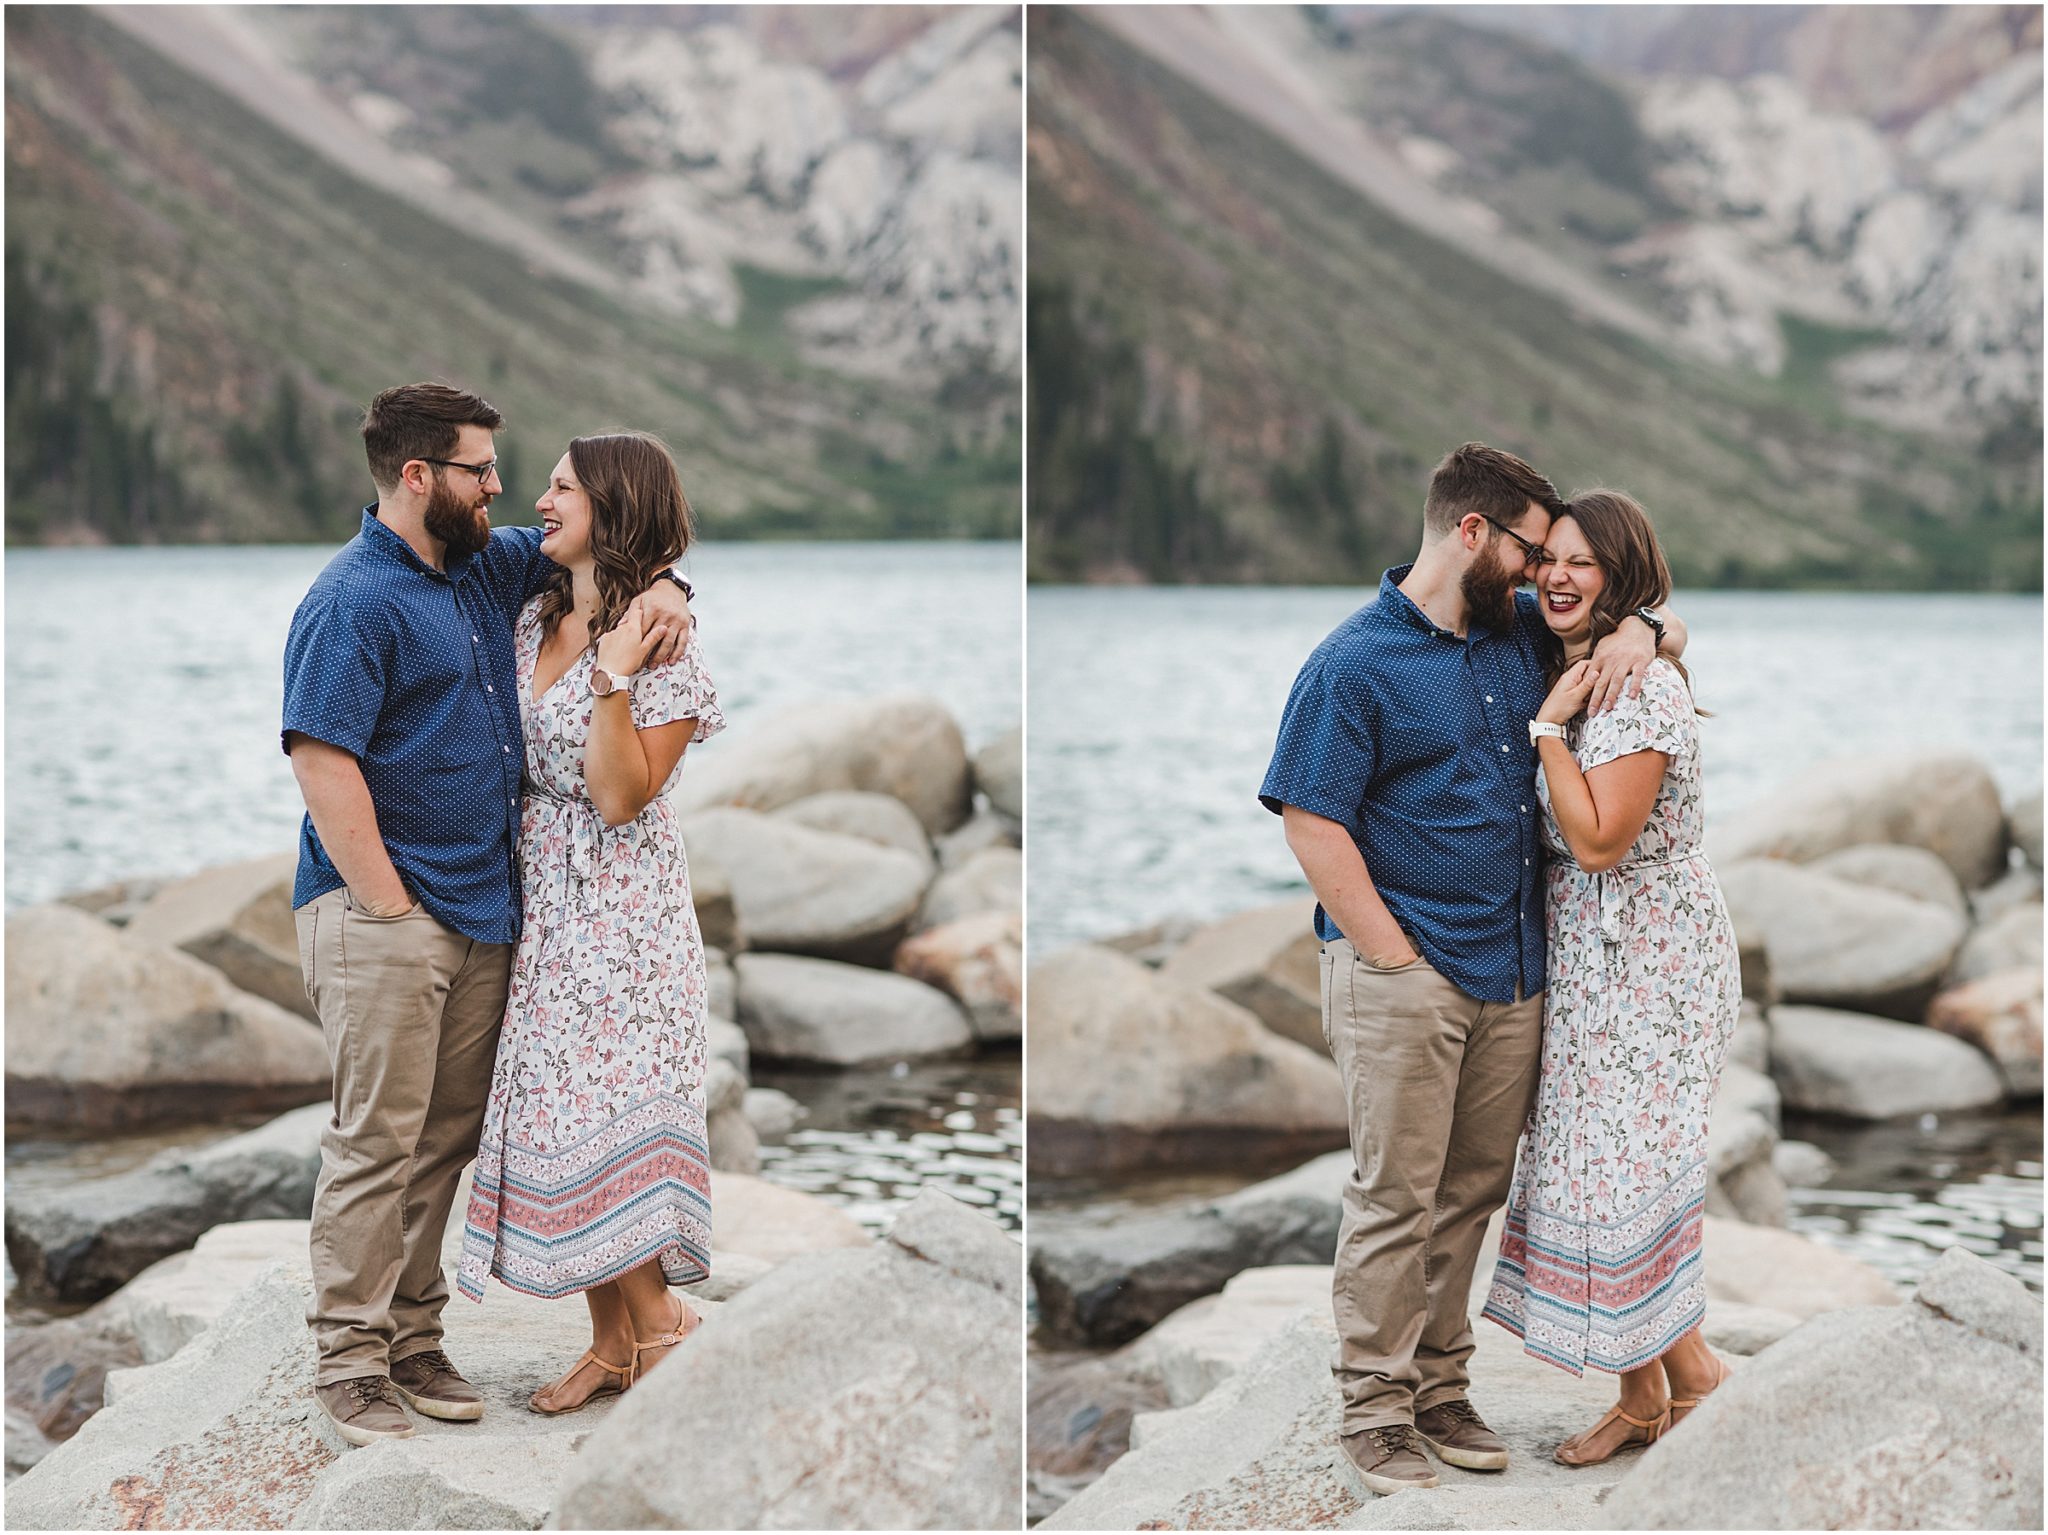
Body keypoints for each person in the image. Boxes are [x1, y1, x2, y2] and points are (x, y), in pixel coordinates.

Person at [1258, 443, 1687, 1498]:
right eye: (1531, 547)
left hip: (1512, 969)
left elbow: (1656, 630)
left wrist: (1643, 624)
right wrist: (1390, 955)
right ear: (1470, 533)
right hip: (1406, 969)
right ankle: (1371, 1409)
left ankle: (1440, 1388)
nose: (1544, 570)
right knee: (1393, 1196)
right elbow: (1310, 818)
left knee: (1468, 1194)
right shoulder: (1350, 663)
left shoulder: (1509, 640)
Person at [283, 384, 693, 1447]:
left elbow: (621, 556)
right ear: (419, 476)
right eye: (480, 469)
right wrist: (382, 900)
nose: (504, 491)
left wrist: (674, 589)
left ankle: (413, 1336)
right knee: (376, 1140)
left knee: (443, 1141)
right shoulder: (350, 598)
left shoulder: (486, 567)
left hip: (489, 910)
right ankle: (350, 1359)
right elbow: (319, 757)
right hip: (388, 910)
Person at [456, 432, 723, 1416]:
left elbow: (619, 796)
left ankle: (661, 1335)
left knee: (600, 1119)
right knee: (556, 1124)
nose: (539, 499)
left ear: (610, 506)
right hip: (543, 913)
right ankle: (610, 1340)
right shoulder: (530, 615)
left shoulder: (662, 646)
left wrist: (611, 676)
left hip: (623, 923)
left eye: (562, 487)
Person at [1480, 490, 1739, 1465]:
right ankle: (1640, 1391)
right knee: (1587, 1162)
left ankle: (1700, 1376)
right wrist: (1642, 619)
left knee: (1631, 1165)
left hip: (1654, 960)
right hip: (1588, 958)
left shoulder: (1638, 688)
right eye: (1545, 557)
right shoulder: (1578, 653)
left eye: (1582, 563)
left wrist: (1548, 732)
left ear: (1619, 573)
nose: (1553, 574)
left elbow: (1595, 841)